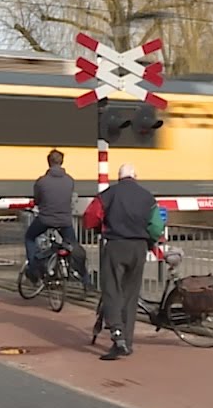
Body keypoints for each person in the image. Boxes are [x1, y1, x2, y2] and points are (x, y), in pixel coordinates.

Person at [91, 163, 164, 361]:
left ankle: (117, 336)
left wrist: (100, 227)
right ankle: (128, 343)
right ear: (135, 176)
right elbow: (157, 226)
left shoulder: (108, 194)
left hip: (116, 246)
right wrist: (150, 240)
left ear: (119, 177)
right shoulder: (147, 197)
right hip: (139, 248)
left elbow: (91, 217)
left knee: (112, 290)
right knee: (131, 295)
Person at [24, 149, 89, 286]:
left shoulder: (41, 182)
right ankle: (85, 280)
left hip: (45, 219)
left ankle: (34, 269)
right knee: (74, 246)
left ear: (48, 162)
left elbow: (37, 200)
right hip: (64, 221)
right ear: (62, 162)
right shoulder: (70, 181)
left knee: (29, 237)